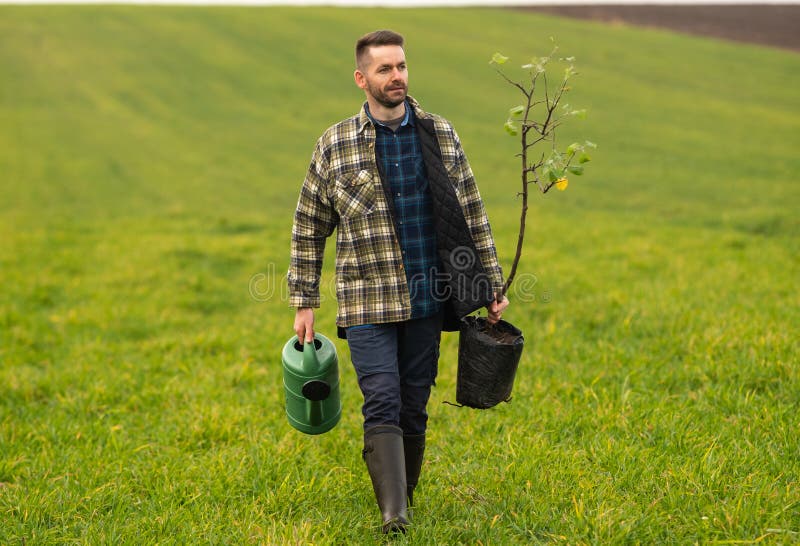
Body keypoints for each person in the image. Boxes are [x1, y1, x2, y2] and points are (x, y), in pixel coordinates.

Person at [288, 29, 509, 534]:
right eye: (385, 69)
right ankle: (394, 514)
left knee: (414, 401)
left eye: (402, 66)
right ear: (361, 78)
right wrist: (304, 300)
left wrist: (489, 284)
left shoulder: (439, 133)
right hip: (366, 298)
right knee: (382, 398)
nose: (397, 77)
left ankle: (402, 496)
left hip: (429, 296)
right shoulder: (335, 144)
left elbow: (472, 211)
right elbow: (308, 225)